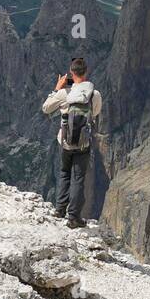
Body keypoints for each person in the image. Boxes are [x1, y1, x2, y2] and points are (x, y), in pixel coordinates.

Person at [41, 56, 102, 228]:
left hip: (66, 142)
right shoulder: (94, 94)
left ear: (71, 73)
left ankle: (60, 209)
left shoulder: (64, 93)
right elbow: (95, 113)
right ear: (86, 72)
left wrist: (56, 89)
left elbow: (46, 108)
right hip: (83, 142)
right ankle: (74, 217)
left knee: (64, 173)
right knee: (78, 178)